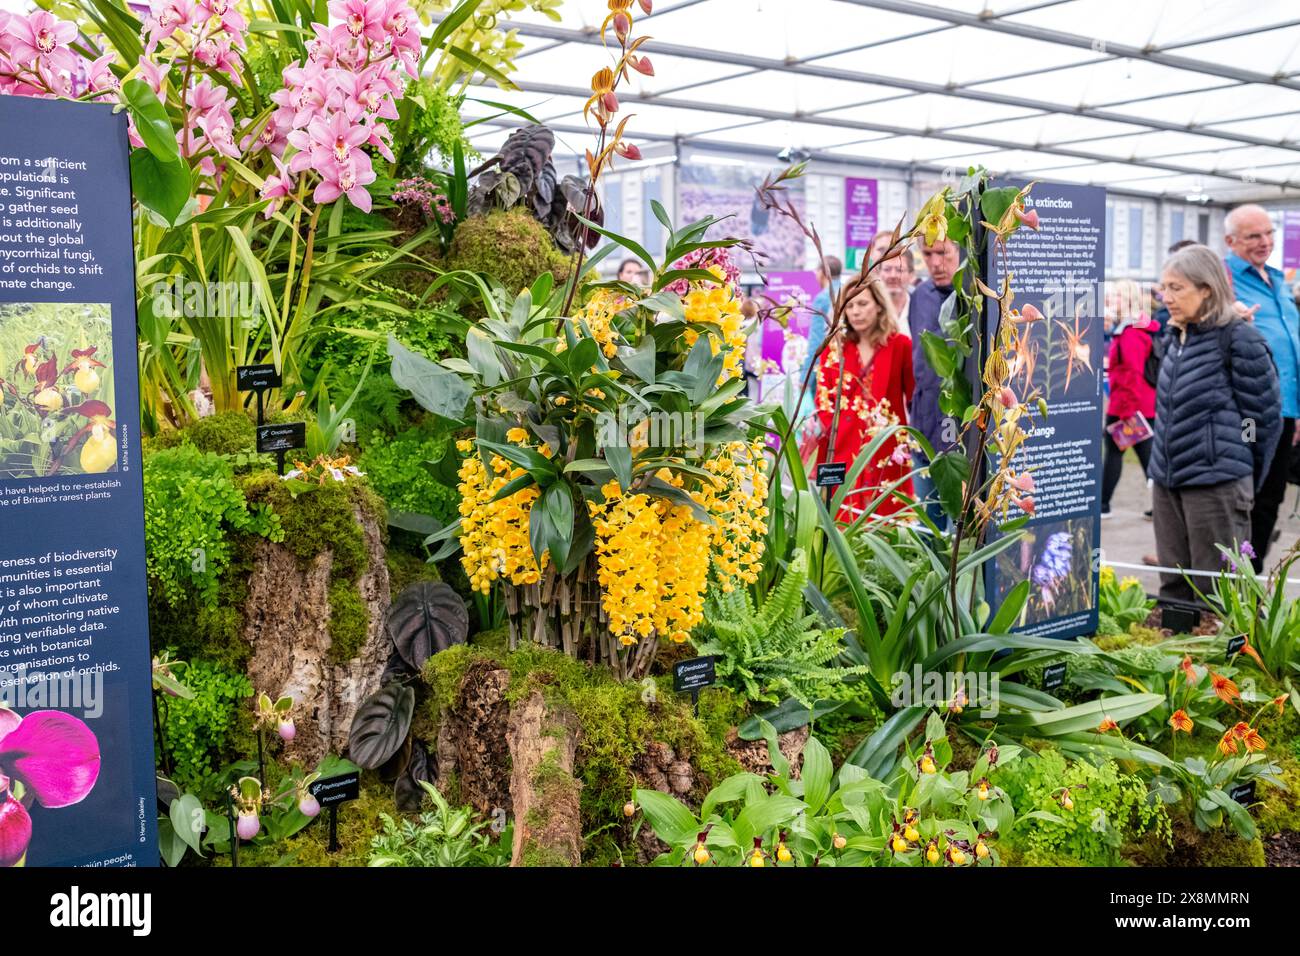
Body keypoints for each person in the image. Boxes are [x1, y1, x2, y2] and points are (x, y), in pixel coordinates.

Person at [1149, 244, 1280, 605]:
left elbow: (1257, 418)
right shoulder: (1176, 337)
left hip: (1216, 485)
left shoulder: (1240, 338)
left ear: (1206, 289)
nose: (1166, 297)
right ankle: (1176, 640)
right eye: (1164, 288)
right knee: (1174, 588)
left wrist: (1241, 464)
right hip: (1168, 480)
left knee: (1217, 593)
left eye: (1177, 288)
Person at [1224, 204, 1300, 571]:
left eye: (1269, 233)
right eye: (1254, 236)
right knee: (1244, 493)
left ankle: (1249, 579)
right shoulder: (1222, 278)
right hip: (1249, 414)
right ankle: (1229, 579)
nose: (1265, 242)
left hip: (1285, 412)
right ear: (1231, 241)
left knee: (1271, 496)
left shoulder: (1278, 279)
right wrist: (1227, 314)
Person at [809, 279, 914, 520]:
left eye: (862, 304)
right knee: (841, 521)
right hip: (842, 450)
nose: (855, 311)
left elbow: (913, 397)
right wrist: (840, 431)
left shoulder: (900, 345)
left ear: (879, 305)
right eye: (849, 305)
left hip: (886, 451)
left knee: (887, 522)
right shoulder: (834, 348)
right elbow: (823, 402)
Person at [909, 237, 962, 526]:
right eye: (927, 254)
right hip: (924, 426)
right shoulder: (921, 297)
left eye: (942, 253)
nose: (935, 263)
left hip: (956, 427)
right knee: (928, 526)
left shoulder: (973, 296)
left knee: (959, 525)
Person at [1100, 279, 1158, 517]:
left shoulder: (1131, 333)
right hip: (1138, 405)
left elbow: (1132, 373)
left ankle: (1103, 505)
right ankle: (1162, 505)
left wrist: (1127, 412)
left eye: (1116, 296)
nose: (1110, 300)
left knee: (1115, 453)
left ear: (1128, 300)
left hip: (1128, 406)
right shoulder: (1133, 329)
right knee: (1146, 457)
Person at [797, 254, 842, 419]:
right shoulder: (847, 291)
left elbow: (817, 341)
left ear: (823, 272)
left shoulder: (823, 298)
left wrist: (805, 378)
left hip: (826, 367)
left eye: (817, 270)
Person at [876, 243, 914, 339]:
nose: (893, 275)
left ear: (911, 275)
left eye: (899, 270)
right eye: (887, 269)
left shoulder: (920, 308)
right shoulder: (870, 310)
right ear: (878, 273)